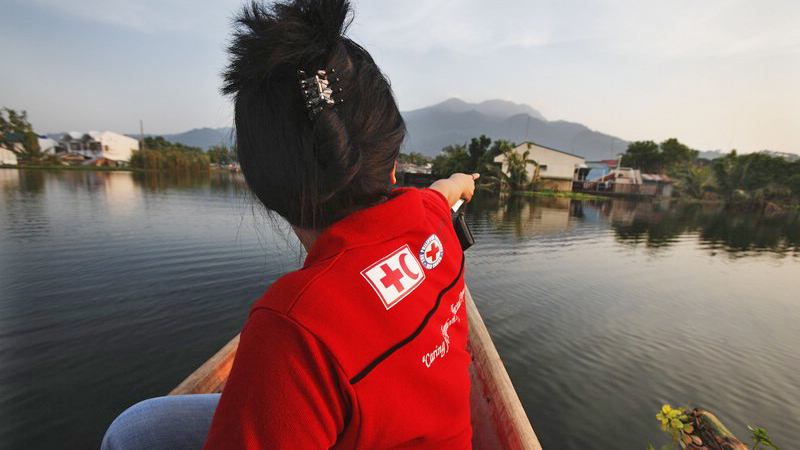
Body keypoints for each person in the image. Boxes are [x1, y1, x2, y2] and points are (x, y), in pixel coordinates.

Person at [101, 0, 478, 448]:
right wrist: (461, 182)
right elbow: (445, 191)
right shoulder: (430, 217)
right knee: (140, 429)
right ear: (392, 160)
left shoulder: (295, 326)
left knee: (130, 435)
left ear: (265, 185)